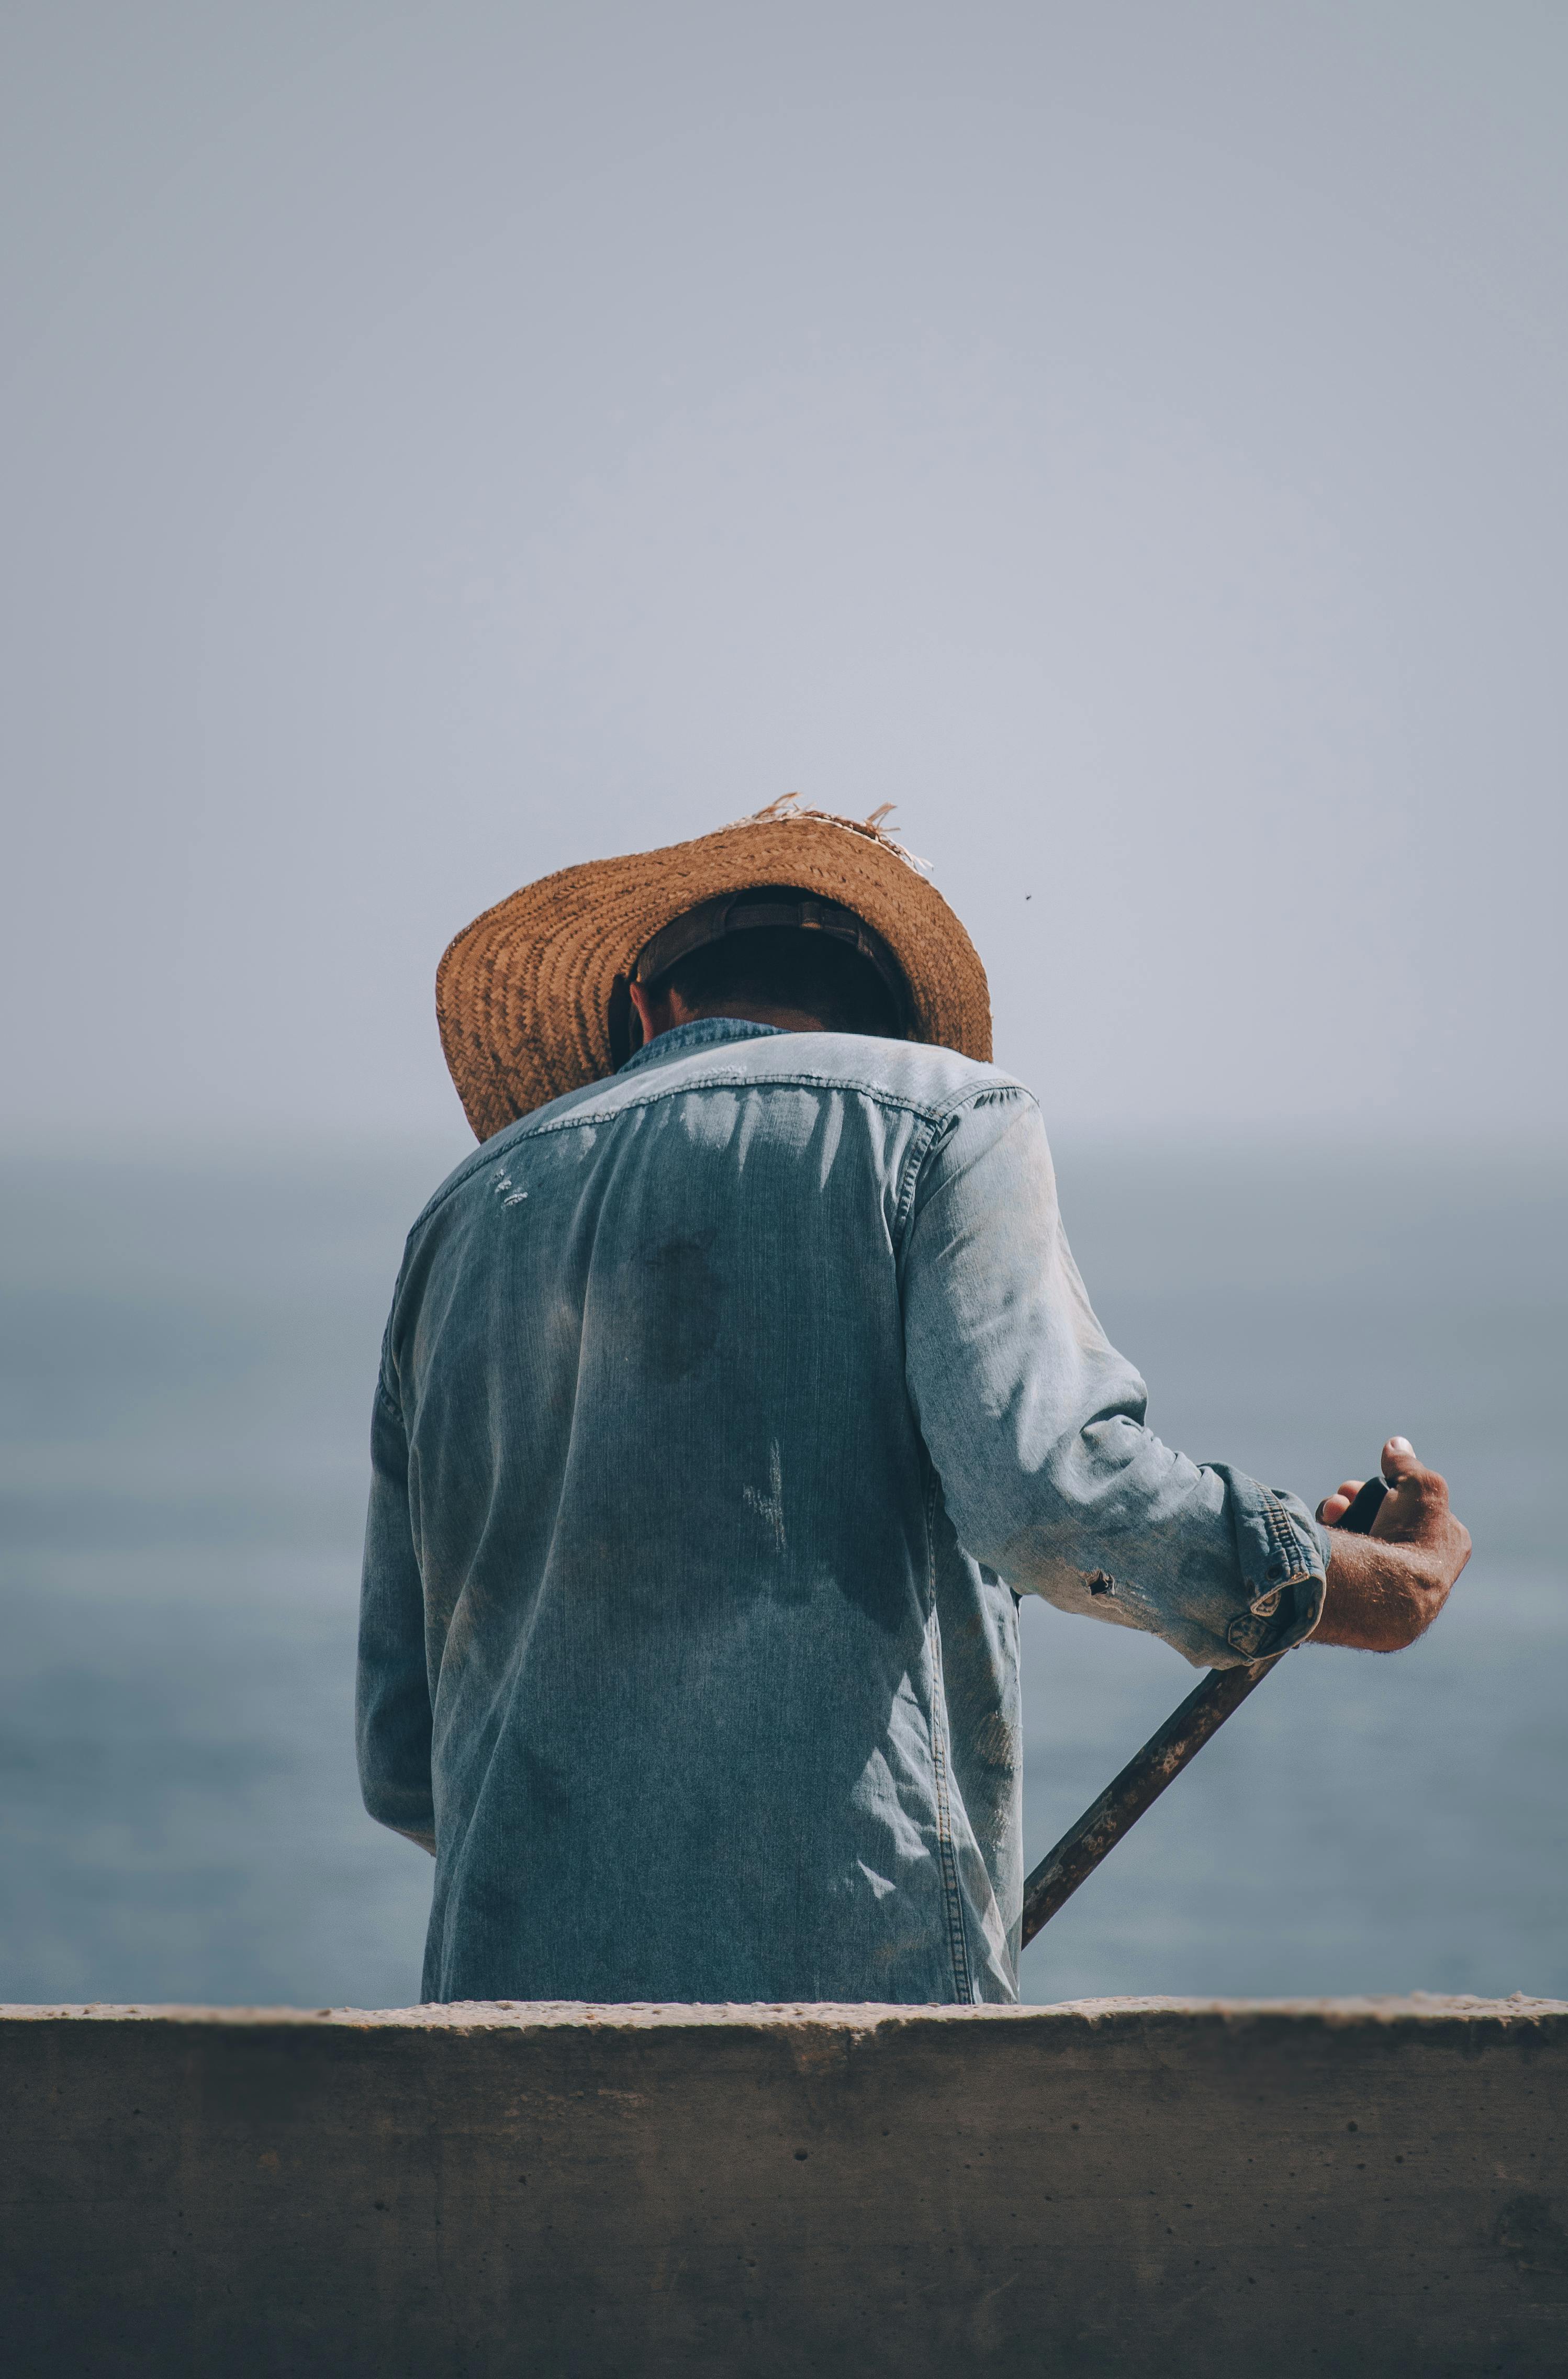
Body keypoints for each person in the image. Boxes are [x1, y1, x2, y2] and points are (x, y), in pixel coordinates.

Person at [357, 797, 1471, 2004]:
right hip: (849, 2000)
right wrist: (1351, 1583)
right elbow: (1048, 1494)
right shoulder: (948, 1117)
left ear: (644, 1009)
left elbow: (403, 1753)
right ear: (899, 1016)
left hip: (506, 2016)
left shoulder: (463, 1215)